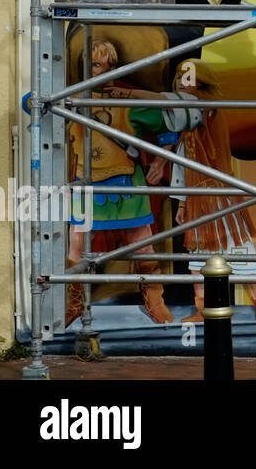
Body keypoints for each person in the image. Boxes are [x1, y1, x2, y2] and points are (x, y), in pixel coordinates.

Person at [64, 40, 173, 326]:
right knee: (77, 247)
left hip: (126, 185)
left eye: (110, 66)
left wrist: (160, 163)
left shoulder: (126, 99)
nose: (104, 71)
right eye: (98, 64)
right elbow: (31, 104)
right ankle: (75, 303)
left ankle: (154, 299)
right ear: (85, 66)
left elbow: (167, 126)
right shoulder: (70, 97)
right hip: (87, 185)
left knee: (143, 246)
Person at [167, 58, 256, 323]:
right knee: (197, 259)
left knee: (241, 251)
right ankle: (202, 308)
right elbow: (182, 168)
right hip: (196, 199)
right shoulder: (186, 131)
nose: (184, 82)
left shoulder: (209, 110)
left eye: (189, 78)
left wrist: (135, 95)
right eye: (181, 77)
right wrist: (182, 203)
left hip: (219, 194)